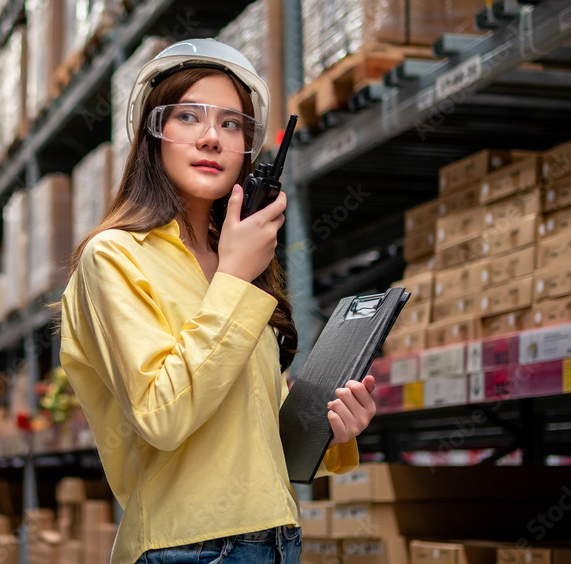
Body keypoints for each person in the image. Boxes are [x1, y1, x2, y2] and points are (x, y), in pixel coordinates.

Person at [59, 39, 377, 564]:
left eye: (232, 124)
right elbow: (163, 416)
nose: (212, 137)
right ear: (152, 135)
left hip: (278, 538)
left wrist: (334, 429)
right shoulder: (113, 257)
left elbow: (252, 437)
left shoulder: (239, 263)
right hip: (186, 549)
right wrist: (235, 274)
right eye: (188, 117)